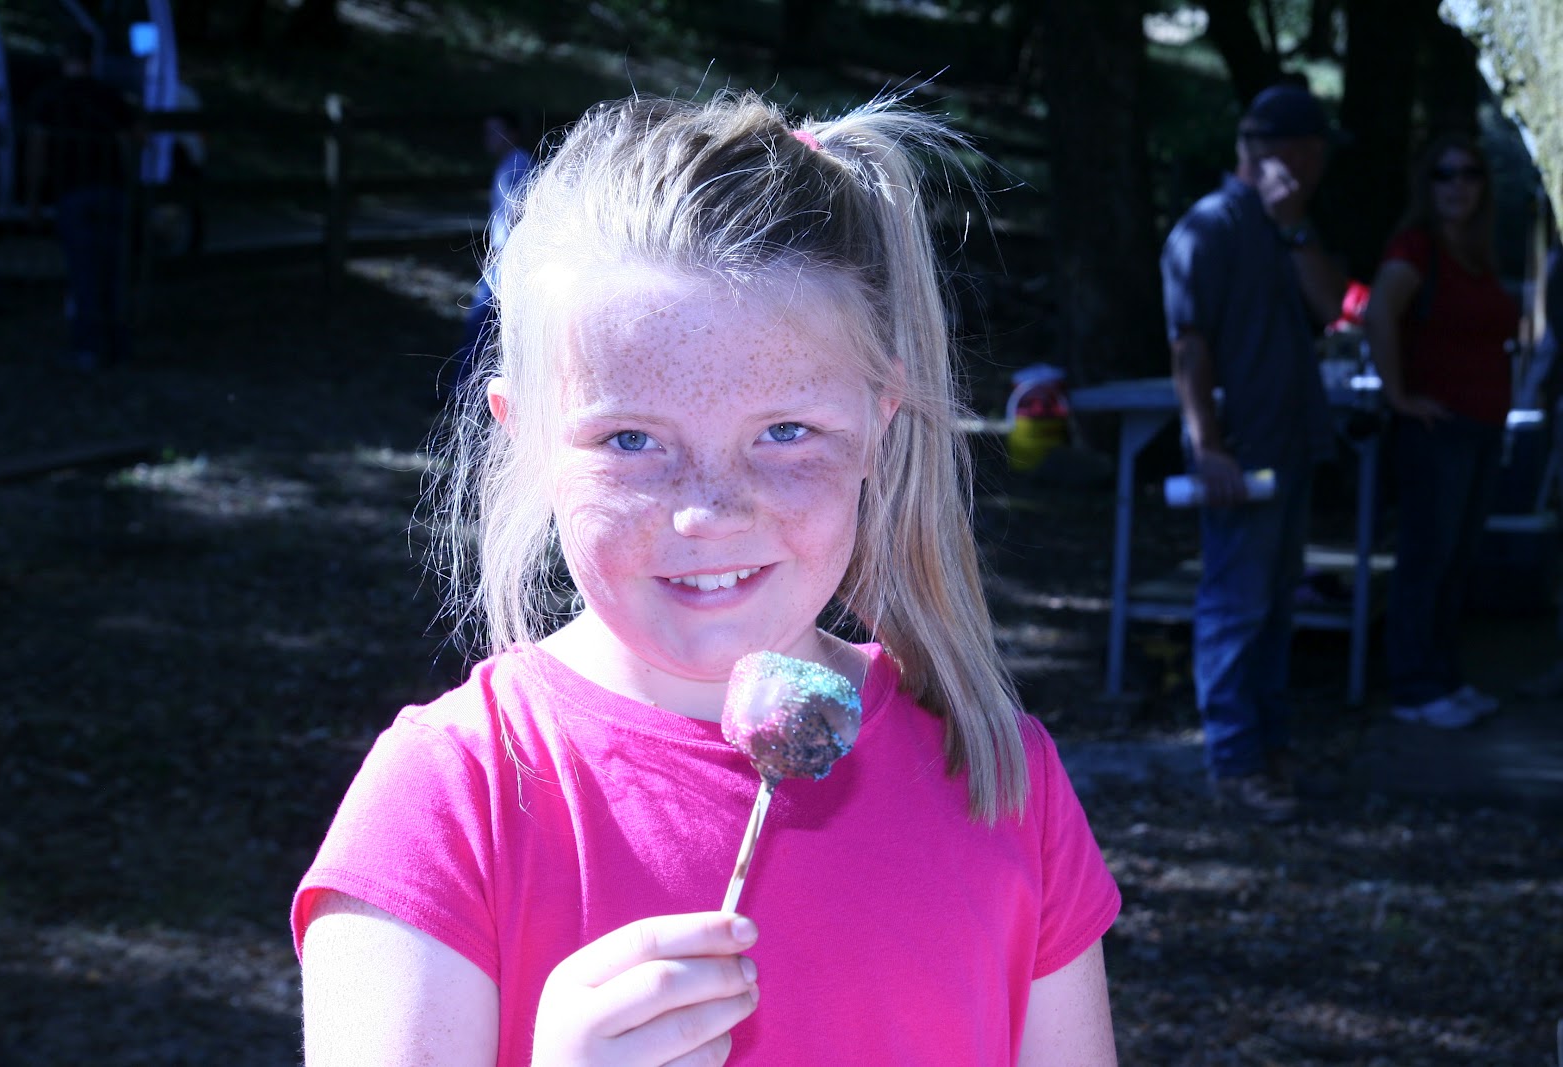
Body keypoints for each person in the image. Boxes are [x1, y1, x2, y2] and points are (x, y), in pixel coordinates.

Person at [294, 93, 1121, 1065]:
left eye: (785, 433)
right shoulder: (446, 804)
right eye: (631, 439)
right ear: (526, 439)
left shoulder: (998, 777)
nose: (709, 509)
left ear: (876, 423)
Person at [1160, 84, 1347, 822]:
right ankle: (1235, 762)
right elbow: (1188, 345)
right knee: (1237, 606)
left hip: (1292, 449)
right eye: (1317, 152)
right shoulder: (1207, 229)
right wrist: (1207, 446)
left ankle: (1271, 752)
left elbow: (1335, 307)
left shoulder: (1281, 229)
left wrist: (1296, 225)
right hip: (1240, 457)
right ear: (1288, 154)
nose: (1323, 166)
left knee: (1273, 609)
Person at [1364, 133, 1520, 728]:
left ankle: (1445, 678)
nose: (1458, 185)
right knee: (1426, 559)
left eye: (1470, 173)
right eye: (1445, 174)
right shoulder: (1416, 248)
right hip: (1438, 431)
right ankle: (1414, 687)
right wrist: (1399, 395)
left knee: (1457, 560)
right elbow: (1379, 311)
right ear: (1427, 185)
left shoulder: (1479, 254)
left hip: (1481, 427)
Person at [23, 34, 138, 370]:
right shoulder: (110, 96)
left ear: (64, 60)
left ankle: (89, 347)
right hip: (111, 189)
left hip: (73, 192)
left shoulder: (50, 98)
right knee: (113, 271)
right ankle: (118, 345)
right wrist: (129, 179)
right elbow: (134, 137)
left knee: (83, 273)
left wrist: (32, 199)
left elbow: (36, 150)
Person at [450, 111, 534, 394]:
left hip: (507, 260)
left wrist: (506, 255)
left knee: (480, 325)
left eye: (495, 131)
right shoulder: (510, 163)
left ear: (512, 133)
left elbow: (517, 212)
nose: (488, 138)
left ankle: (462, 392)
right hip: (503, 257)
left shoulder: (517, 164)